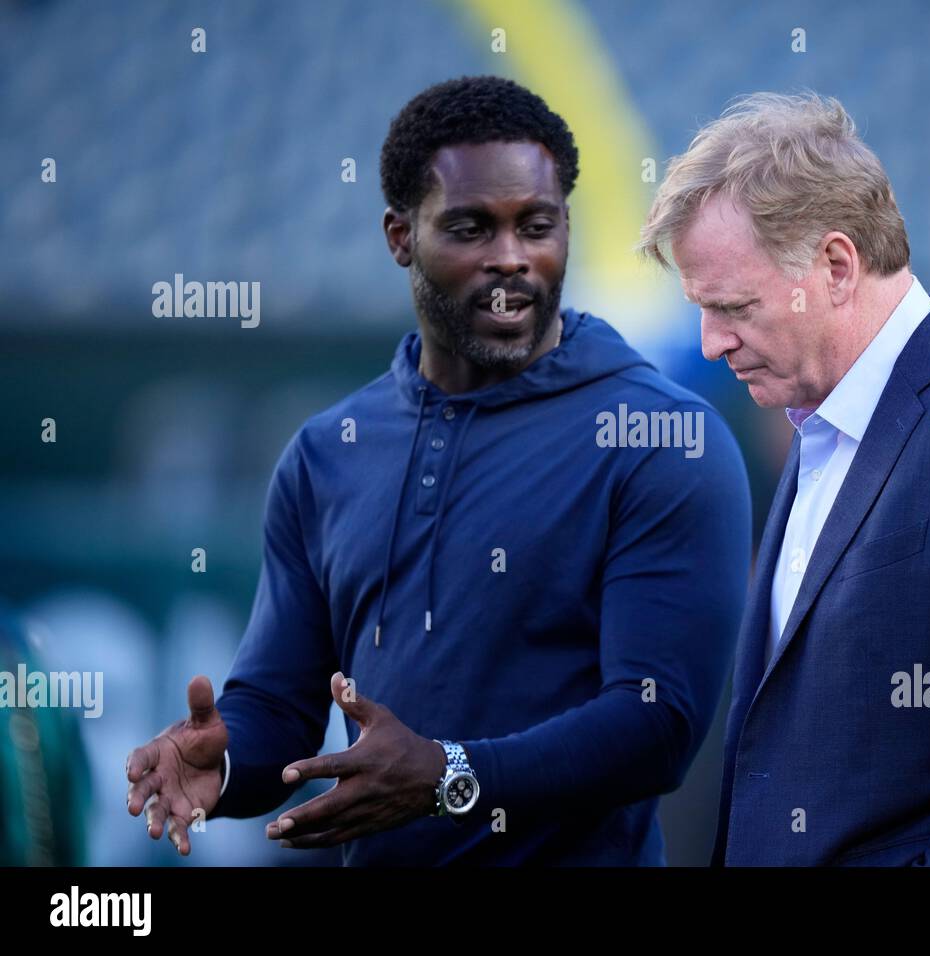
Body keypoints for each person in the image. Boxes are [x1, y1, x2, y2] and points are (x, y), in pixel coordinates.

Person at [125, 75, 751, 865]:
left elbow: (655, 727)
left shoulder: (663, 439)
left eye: (537, 225)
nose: (511, 259)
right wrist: (226, 761)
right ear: (399, 236)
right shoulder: (328, 453)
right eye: (471, 229)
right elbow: (279, 707)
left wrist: (451, 773)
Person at [638, 91, 930, 866]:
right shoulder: (816, 426)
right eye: (701, 308)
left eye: (733, 306)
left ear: (835, 264)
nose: (710, 342)